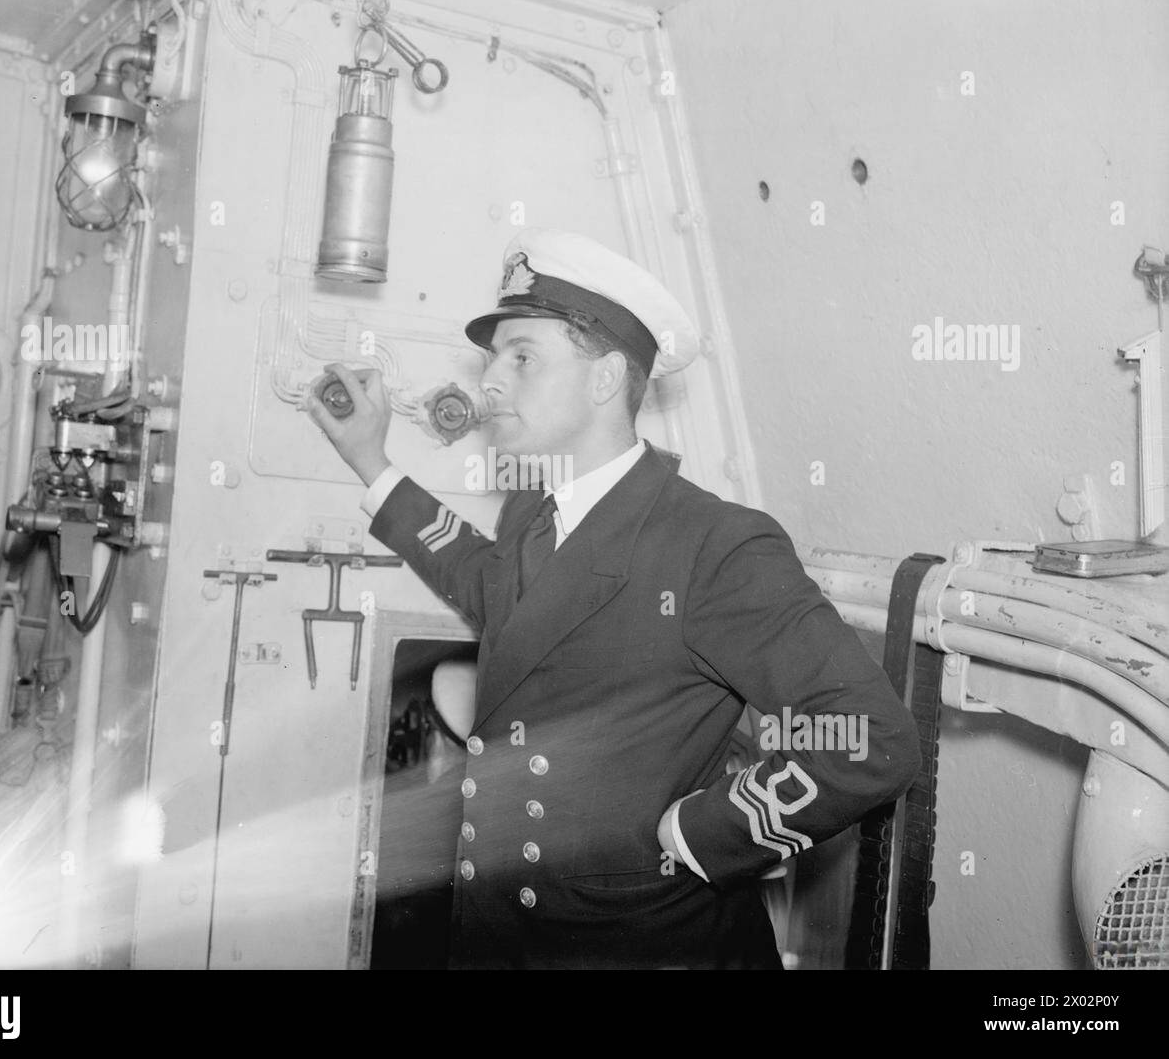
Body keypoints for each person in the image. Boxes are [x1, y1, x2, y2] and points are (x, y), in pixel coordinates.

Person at [305, 228, 921, 969]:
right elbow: (489, 584)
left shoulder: (714, 546)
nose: (489, 382)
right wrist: (371, 462)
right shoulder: (534, 510)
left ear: (604, 379)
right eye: (492, 357)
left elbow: (869, 739)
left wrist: (701, 834)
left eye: (522, 356)